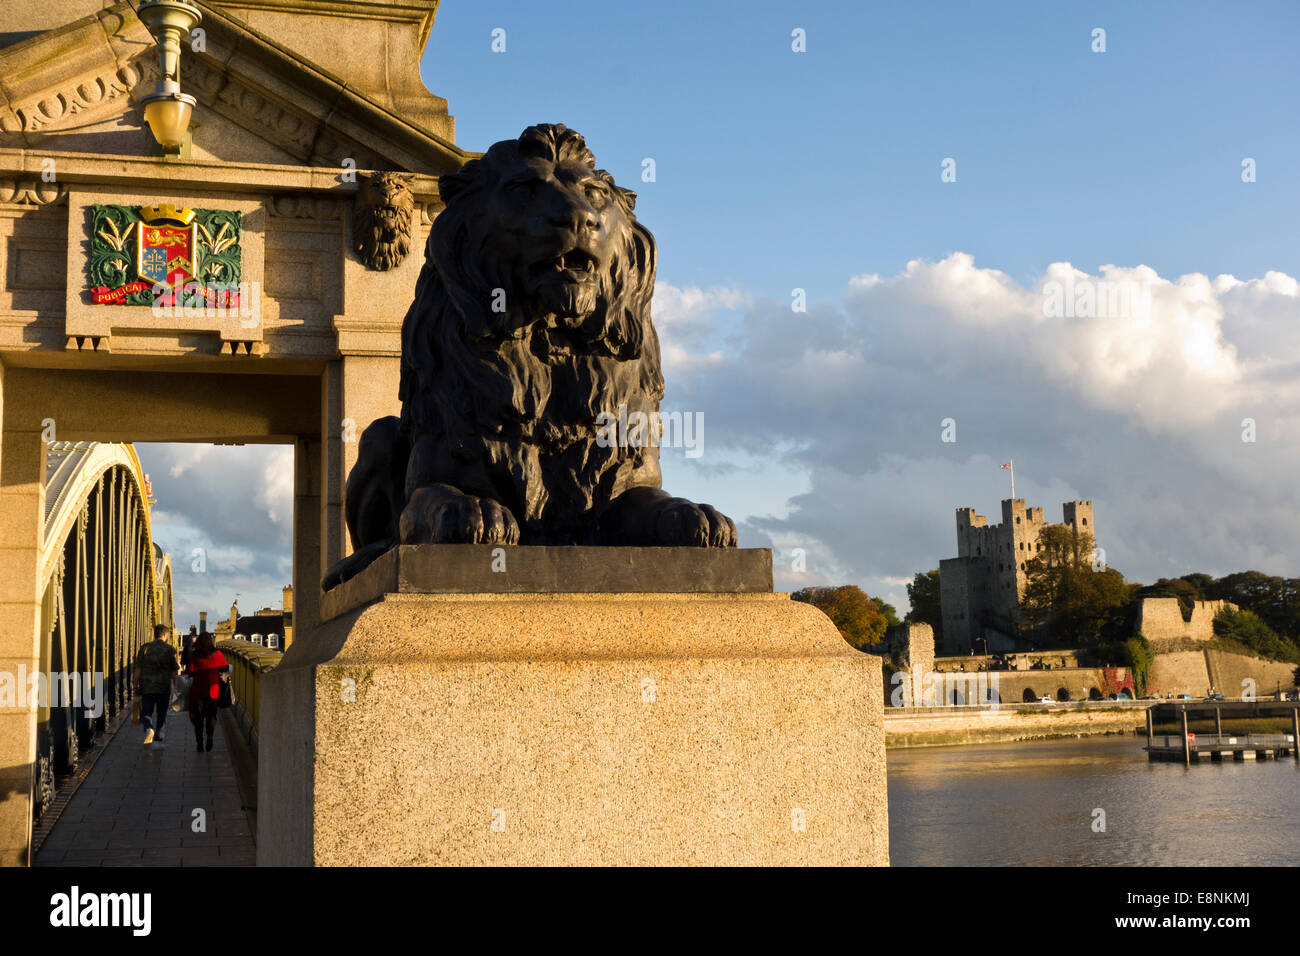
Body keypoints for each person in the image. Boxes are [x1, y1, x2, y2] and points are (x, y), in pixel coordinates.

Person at [133, 624, 178, 747]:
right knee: (162, 714)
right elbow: (174, 671)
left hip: (146, 687)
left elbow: (138, 668)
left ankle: (148, 728)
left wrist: (135, 684)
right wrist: (176, 686)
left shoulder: (145, 648)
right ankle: (158, 740)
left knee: (147, 712)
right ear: (164, 635)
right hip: (163, 688)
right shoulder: (169, 649)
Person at [186, 632, 229, 752]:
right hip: (213, 691)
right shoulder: (218, 654)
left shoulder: (195, 655)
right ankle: (209, 737)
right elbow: (225, 668)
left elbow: (190, 672)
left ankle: (199, 742)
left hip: (198, 690)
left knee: (198, 717)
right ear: (211, 641)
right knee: (211, 716)